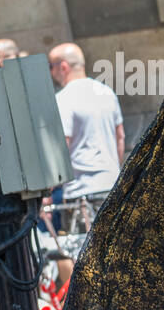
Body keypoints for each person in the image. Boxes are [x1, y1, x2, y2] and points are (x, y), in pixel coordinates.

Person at [47, 42, 126, 229]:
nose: (50, 73)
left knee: (85, 254)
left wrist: (47, 189)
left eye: (51, 67)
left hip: (81, 195)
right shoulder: (106, 92)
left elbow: (61, 147)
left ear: (63, 67)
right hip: (112, 187)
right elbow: (120, 136)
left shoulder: (63, 99)